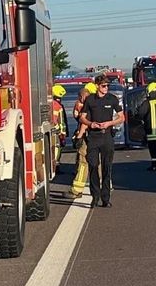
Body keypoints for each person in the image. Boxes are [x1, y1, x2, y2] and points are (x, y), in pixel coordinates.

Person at [79, 79, 125, 207]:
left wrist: (109, 123)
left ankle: (105, 198)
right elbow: (82, 117)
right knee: (93, 165)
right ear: (97, 86)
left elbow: (122, 117)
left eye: (107, 86)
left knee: (106, 167)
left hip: (107, 137)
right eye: (104, 86)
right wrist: (90, 124)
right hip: (93, 137)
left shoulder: (112, 99)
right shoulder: (90, 100)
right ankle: (95, 195)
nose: (106, 88)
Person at [69, 82, 96, 199]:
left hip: (87, 136)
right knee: (99, 162)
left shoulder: (86, 105)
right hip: (99, 137)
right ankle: (104, 187)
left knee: (83, 161)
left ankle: (77, 190)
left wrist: (79, 137)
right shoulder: (100, 103)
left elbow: (83, 122)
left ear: (83, 96)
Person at [51, 85, 69, 169]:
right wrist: (62, 134)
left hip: (53, 131)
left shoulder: (52, 104)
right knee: (57, 149)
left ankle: (55, 165)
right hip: (57, 132)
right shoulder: (58, 106)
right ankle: (56, 166)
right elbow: (60, 121)